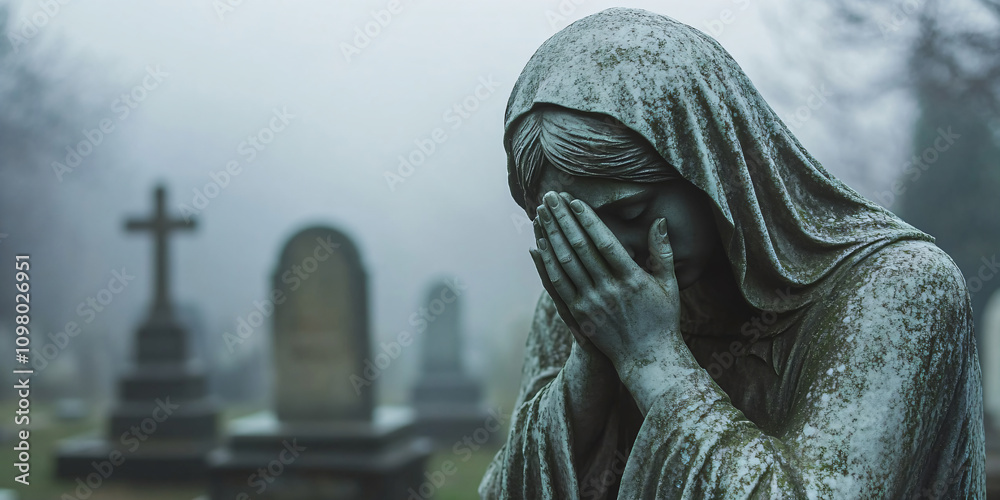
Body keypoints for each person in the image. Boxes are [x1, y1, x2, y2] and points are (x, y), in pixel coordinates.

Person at [480, 8, 984, 499]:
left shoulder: (899, 288)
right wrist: (589, 368)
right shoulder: (598, 298)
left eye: (632, 213)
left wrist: (652, 358)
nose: (615, 257)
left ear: (711, 166)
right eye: (580, 231)